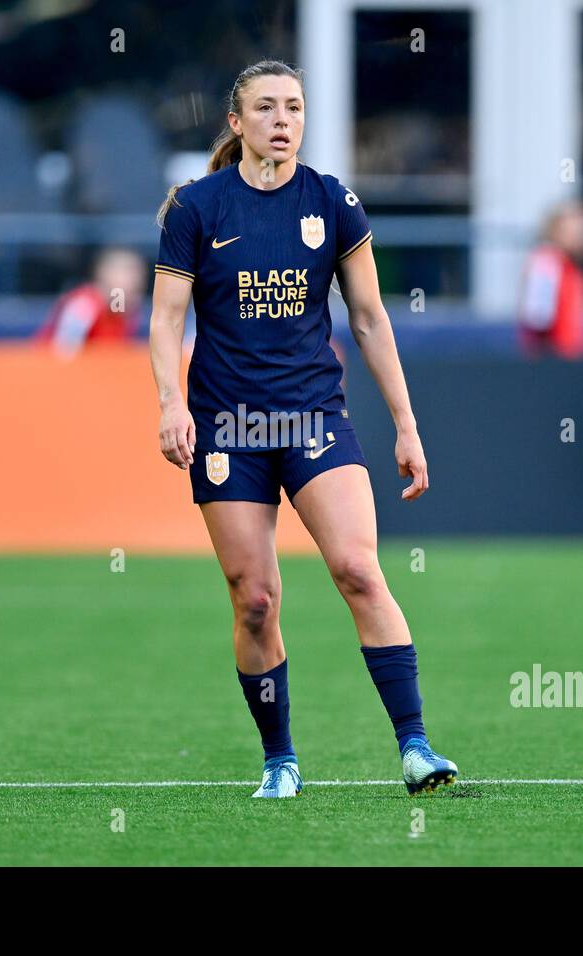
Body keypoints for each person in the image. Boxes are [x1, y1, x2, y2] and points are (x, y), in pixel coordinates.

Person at [148, 59, 458, 799]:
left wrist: (407, 426)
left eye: (293, 107)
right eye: (265, 108)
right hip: (229, 426)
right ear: (236, 123)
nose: (282, 120)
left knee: (357, 569)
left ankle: (415, 747)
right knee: (254, 599)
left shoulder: (332, 201)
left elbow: (371, 318)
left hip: (314, 417)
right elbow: (164, 319)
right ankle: (280, 759)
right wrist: (170, 402)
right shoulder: (197, 209)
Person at [34, 247, 146, 357]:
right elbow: (63, 351)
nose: (134, 281)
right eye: (126, 272)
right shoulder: (85, 303)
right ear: (104, 274)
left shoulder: (124, 312)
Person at [517, 199, 583, 359]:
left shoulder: (571, 267)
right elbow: (537, 319)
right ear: (555, 231)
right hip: (553, 366)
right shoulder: (545, 263)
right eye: (577, 232)